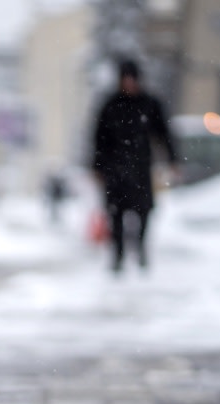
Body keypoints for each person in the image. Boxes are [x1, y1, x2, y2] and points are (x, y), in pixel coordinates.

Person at [91, 59, 178, 273]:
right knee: (115, 215)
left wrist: (173, 159)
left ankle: (141, 250)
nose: (129, 83)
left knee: (144, 212)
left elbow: (164, 134)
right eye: (125, 78)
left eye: (132, 78)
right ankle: (118, 256)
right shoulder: (110, 105)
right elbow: (98, 139)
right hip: (115, 170)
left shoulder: (150, 104)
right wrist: (97, 167)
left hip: (140, 169)